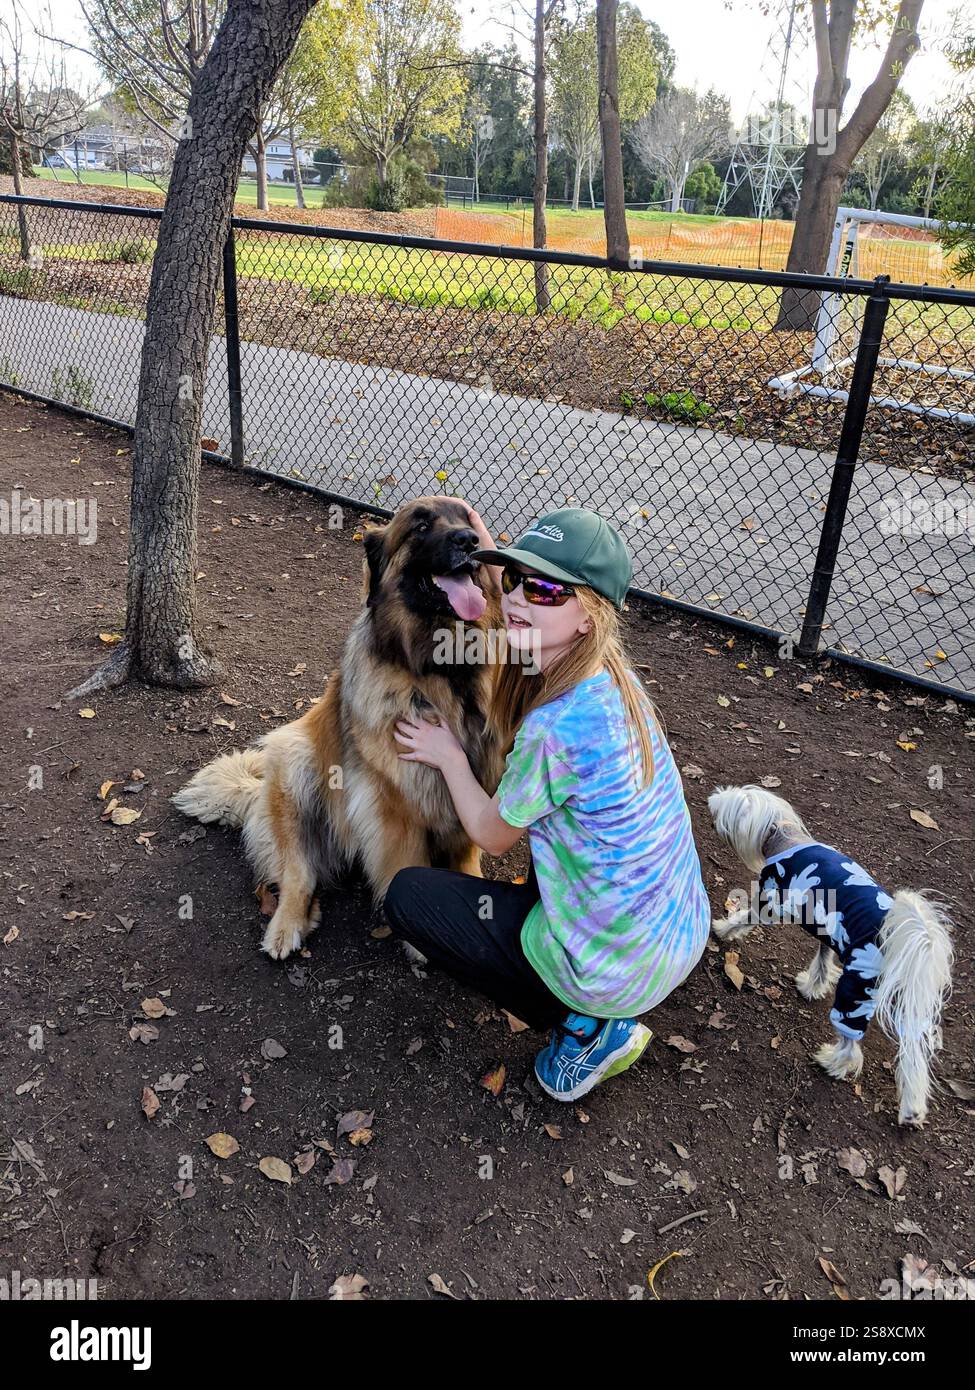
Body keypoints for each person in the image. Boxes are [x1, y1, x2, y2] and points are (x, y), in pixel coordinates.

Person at [386, 505, 710, 1102]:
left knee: (408, 896)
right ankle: (595, 995)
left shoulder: (555, 728)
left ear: (588, 615)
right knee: (553, 837)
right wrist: (487, 541)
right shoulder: (610, 676)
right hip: (674, 930)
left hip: (615, 971)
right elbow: (514, 596)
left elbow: (492, 834)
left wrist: (449, 756)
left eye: (545, 589)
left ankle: (586, 1029)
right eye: (512, 578)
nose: (516, 600)